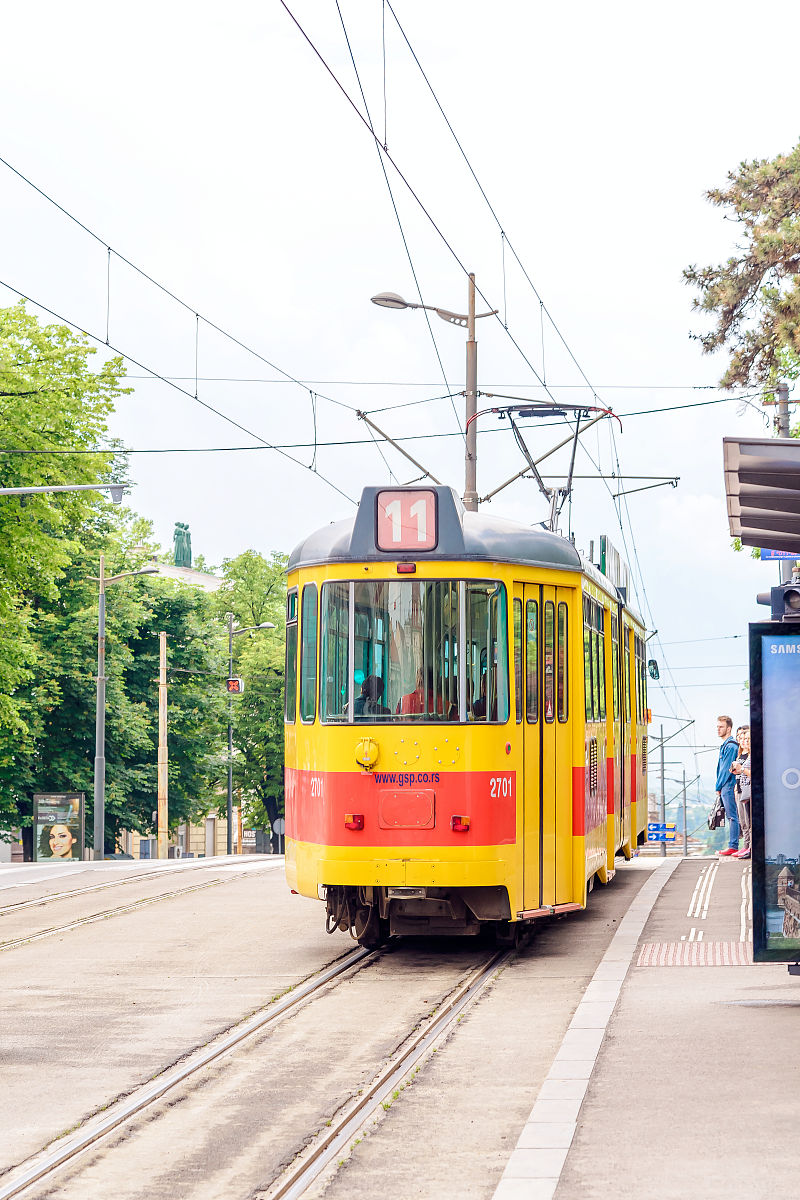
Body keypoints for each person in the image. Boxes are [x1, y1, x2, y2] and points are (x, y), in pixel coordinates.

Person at [715, 715, 740, 856]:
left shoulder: (730, 747)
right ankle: (733, 845)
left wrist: (718, 786)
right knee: (732, 816)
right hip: (726, 785)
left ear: (728, 728)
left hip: (727, 785)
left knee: (732, 816)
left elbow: (725, 770)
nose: (718, 729)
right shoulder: (727, 745)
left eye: (721, 727)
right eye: (717, 726)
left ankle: (733, 845)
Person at [731, 726, 751, 860]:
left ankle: (749, 847)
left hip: (748, 790)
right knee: (743, 821)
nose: (744, 741)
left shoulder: (751, 756)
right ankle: (747, 846)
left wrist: (742, 769)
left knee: (749, 821)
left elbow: (751, 773)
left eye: (747, 739)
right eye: (743, 739)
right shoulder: (741, 754)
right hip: (741, 789)